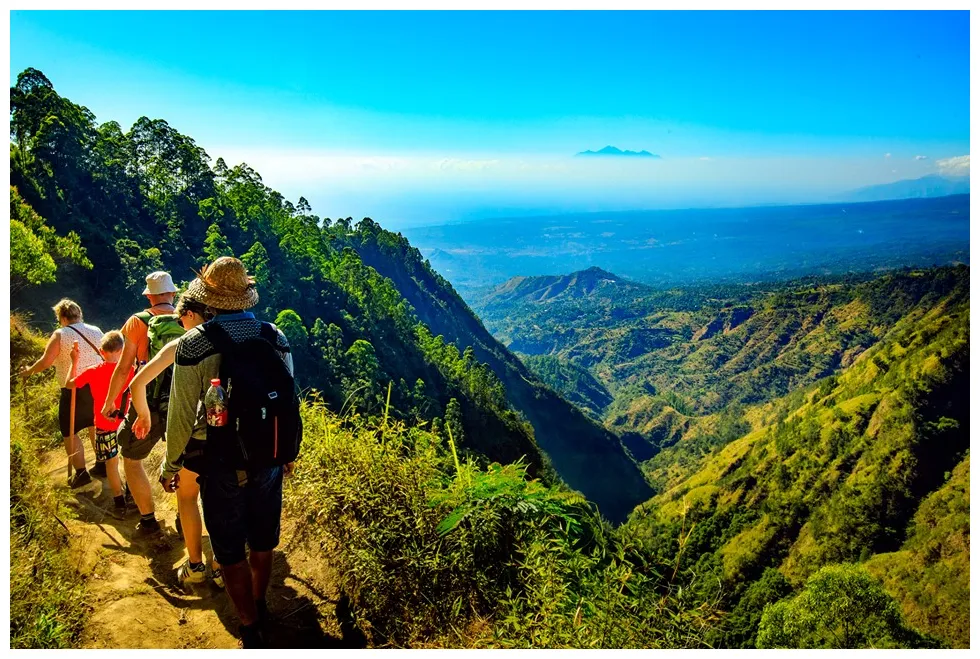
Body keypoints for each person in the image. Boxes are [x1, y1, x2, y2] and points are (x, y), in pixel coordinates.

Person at [163, 257, 296, 648]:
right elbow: (289, 399)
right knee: (263, 538)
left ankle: (249, 624)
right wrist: (288, 451)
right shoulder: (275, 336)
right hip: (268, 453)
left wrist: (172, 464)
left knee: (228, 546)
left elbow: (182, 412)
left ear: (209, 301)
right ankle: (260, 602)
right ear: (245, 297)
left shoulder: (195, 344)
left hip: (218, 458)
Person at [131, 294, 222, 587]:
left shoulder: (180, 346)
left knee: (187, 498)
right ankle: (221, 566)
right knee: (221, 502)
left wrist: (144, 415)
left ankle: (195, 565)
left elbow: (138, 382)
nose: (181, 325)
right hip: (228, 437)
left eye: (181, 319)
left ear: (192, 315)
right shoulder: (231, 342)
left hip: (191, 437)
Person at [103, 271, 178, 537]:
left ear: (149, 296)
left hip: (146, 401)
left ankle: (148, 520)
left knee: (132, 459)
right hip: (183, 401)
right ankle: (184, 516)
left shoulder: (137, 322)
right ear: (173, 293)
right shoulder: (188, 319)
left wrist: (110, 400)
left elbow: (124, 369)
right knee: (184, 461)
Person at [20, 299, 103, 488]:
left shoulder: (61, 334)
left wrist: (27, 372)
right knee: (95, 425)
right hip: (96, 385)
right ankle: (102, 464)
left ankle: (81, 473)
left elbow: (46, 361)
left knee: (69, 431)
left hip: (73, 387)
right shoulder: (96, 330)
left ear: (62, 317)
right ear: (79, 314)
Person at [65, 331, 132, 510]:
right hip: (127, 422)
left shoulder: (93, 371)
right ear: (122, 350)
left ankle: (119, 502)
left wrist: (74, 361)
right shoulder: (131, 371)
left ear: (102, 352)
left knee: (111, 463)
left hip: (104, 425)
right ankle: (132, 495)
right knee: (130, 460)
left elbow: (69, 384)